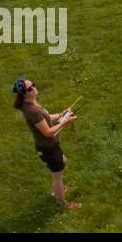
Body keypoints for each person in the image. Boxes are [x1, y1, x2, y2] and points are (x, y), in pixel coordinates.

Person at [13, 78, 79, 210]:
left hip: (49, 146)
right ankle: (62, 202)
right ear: (24, 94)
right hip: (48, 148)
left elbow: (47, 117)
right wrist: (65, 122)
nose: (34, 88)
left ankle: (58, 188)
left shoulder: (31, 104)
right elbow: (48, 132)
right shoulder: (33, 111)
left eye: (33, 85)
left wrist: (61, 114)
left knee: (63, 161)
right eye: (30, 88)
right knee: (58, 175)